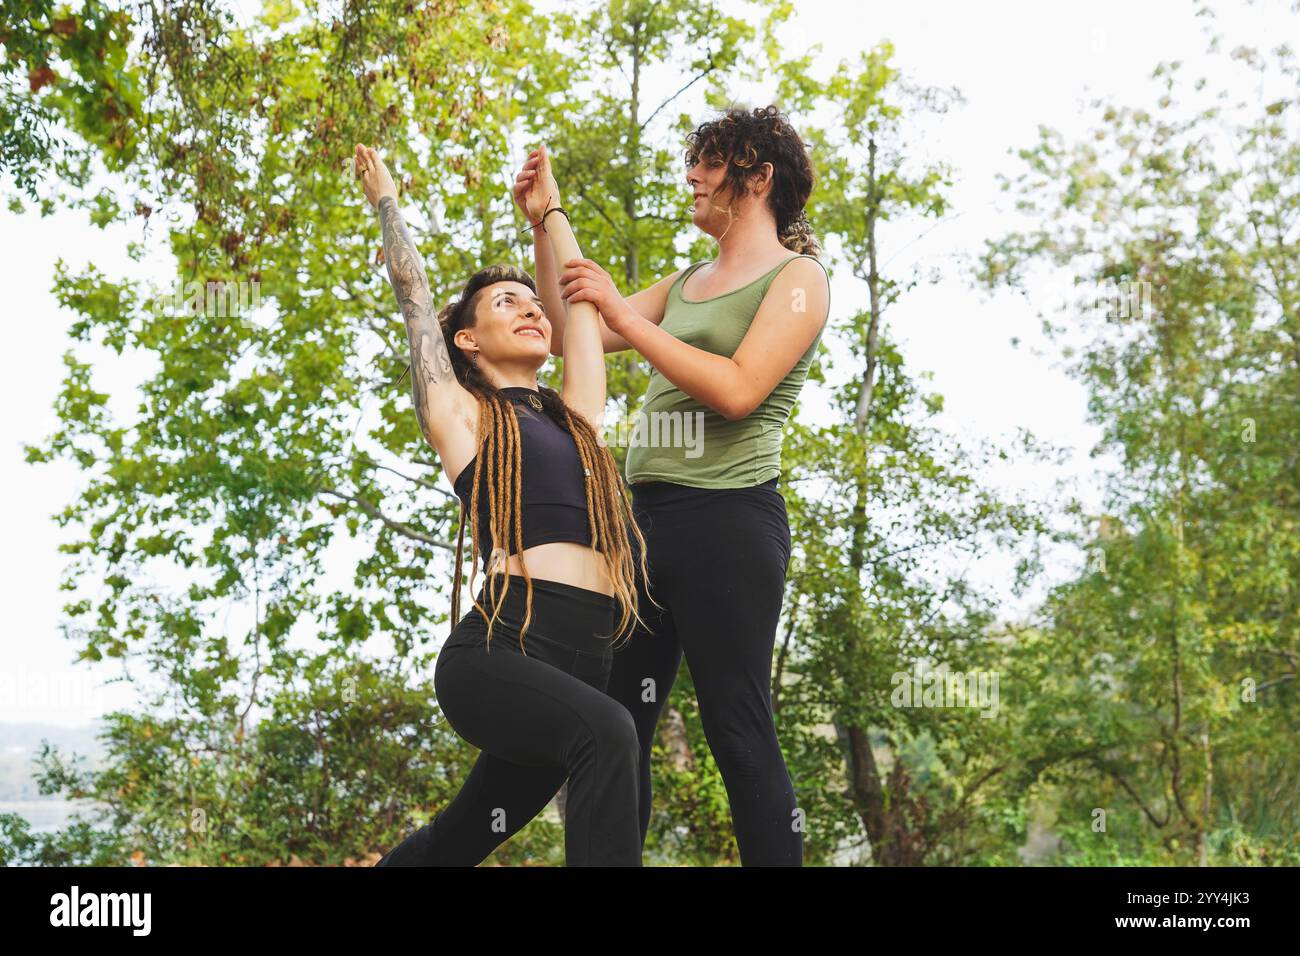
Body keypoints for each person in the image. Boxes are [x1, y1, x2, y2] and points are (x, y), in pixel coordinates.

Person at [541, 105, 831, 865]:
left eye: (710, 162)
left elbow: (738, 390)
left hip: (729, 524)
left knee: (736, 726)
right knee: (613, 726)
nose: (693, 176)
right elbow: (571, 323)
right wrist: (548, 220)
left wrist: (622, 314)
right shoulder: (689, 279)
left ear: (758, 178)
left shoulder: (799, 281)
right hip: (642, 523)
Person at [352, 141, 656, 867]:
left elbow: (580, 308)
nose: (529, 310)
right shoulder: (460, 413)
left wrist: (549, 212)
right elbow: (414, 296)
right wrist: (387, 204)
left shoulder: (575, 416)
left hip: (582, 659)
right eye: (504, 303)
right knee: (612, 735)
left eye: (530, 302)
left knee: (459, 841)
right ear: (467, 338)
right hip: (498, 653)